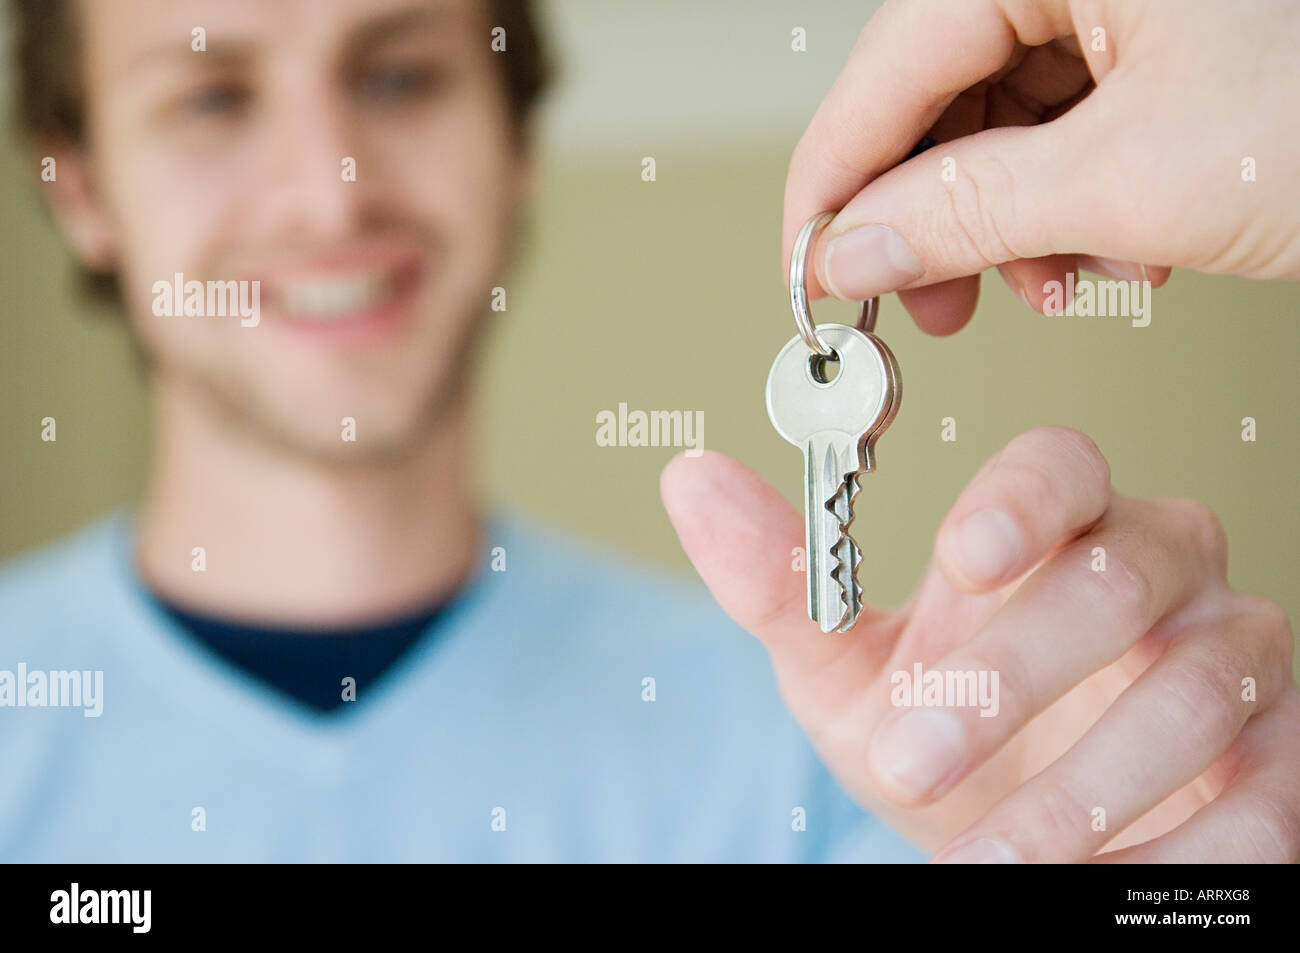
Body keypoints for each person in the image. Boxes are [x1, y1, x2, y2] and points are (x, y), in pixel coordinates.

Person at [0, 0, 1295, 865]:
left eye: (399, 76)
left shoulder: (864, 755)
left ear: (516, 147)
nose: (327, 190)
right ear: (83, 189)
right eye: (212, 96)